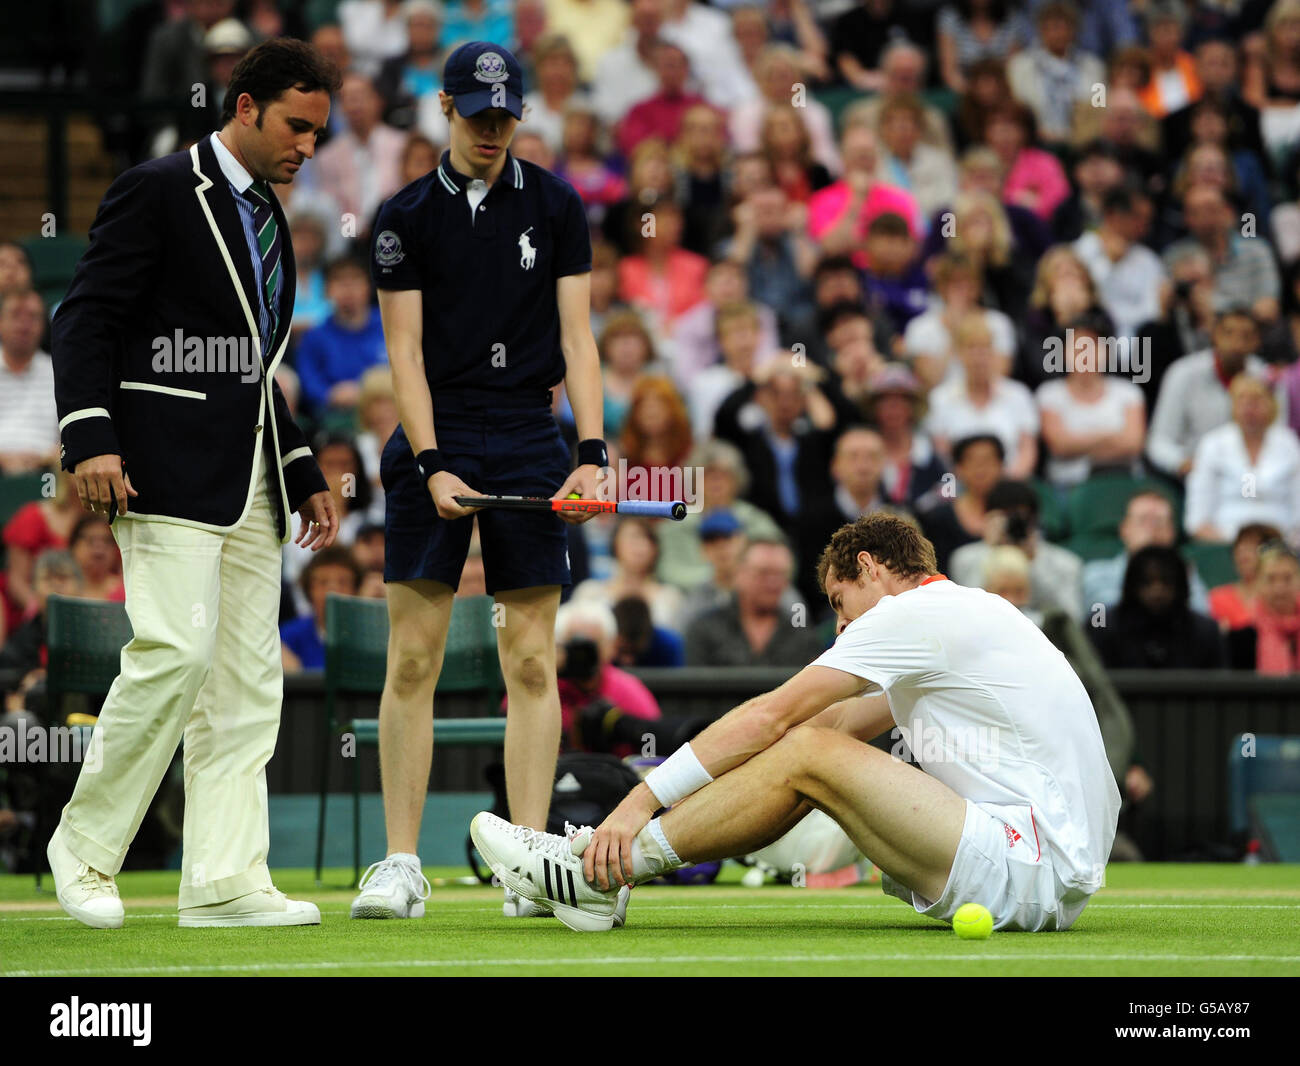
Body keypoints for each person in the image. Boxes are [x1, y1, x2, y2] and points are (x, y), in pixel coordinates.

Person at [471, 512, 1120, 933]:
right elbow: (825, 734)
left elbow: (776, 717)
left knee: (805, 748)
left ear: (869, 567)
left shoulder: (916, 615)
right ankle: (599, 866)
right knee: (812, 752)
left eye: (840, 604)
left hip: (1027, 862)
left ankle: (595, 873)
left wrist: (638, 801)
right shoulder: (957, 621)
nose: (839, 627)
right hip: (1048, 872)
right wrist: (694, 791)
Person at [48, 38, 340, 930]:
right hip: (160, 467)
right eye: (297, 126)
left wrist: (299, 466)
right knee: (175, 653)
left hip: (253, 478)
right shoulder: (158, 187)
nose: (308, 146)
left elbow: (255, 366)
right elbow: (88, 315)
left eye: (321, 133)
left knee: (250, 683)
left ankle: (222, 879)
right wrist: (88, 435)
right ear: (244, 107)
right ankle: (84, 847)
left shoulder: (270, 214)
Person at [354, 41, 606, 922]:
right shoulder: (404, 217)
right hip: (442, 425)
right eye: (477, 113)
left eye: (506, 115)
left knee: (531, 658)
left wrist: (593, 451)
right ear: (446, 112)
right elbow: (405, 355)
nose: (493, 129)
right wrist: (429, 463)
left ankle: (531, 864)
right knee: (414, 656)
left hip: (532, 433)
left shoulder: (559, 205)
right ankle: (399, 863)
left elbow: (579, 341)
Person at [1146, 308, 1273, 479]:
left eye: (1246, 336)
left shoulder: (1265, 379)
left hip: (1250, 478)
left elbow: (1276, 437)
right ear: (1214, 335)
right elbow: (1159, 442)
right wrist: (1183, 464)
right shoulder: (1183, 373)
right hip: (1190, 476)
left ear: (1257, 342)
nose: (1236, 343)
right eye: (1228, 333)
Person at [1185, 373, 1300, 545]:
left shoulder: (1288, 443)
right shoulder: (1213, 444)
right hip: (1224, 541)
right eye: (1242, 401)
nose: (1249, 409)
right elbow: (1197, 519)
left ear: (1271, 405)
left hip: (1281, 540)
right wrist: (1230, 546)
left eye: (1256, 401)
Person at [684, 537, 824, 667]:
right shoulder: (704, 630)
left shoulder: (801, 634)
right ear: (739, 573)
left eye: (781, 574)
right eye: (763, 573)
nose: (773, 582)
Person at [1090, 545, 1226, 669]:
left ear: (1179, 586)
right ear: (1132, 585)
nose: (1157, 591)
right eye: (1147, 582)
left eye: (1166, 582)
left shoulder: (1206, 631)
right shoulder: (1104, 627)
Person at [1081, 488, 1210, 614]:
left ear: (1172, 533)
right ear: (1125, 529)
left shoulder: (1187, 575)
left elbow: (1200, 623)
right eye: (1143, 520)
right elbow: (1098, 624)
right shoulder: (1097, 574)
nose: (1152, 529)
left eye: (1159, 521)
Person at [0, 288, 59, 474]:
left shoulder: (59, 373)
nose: (24, 324)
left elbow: (70, 438)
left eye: (33, 316)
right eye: (16, 315)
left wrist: (49, 457)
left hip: (48, 474)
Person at [280, 545, 363, 672]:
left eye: (343, 582)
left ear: (356, 589)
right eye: (323, 582)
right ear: (309, 590)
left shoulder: (368, 636)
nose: (333, 590)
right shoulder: (288, 636)